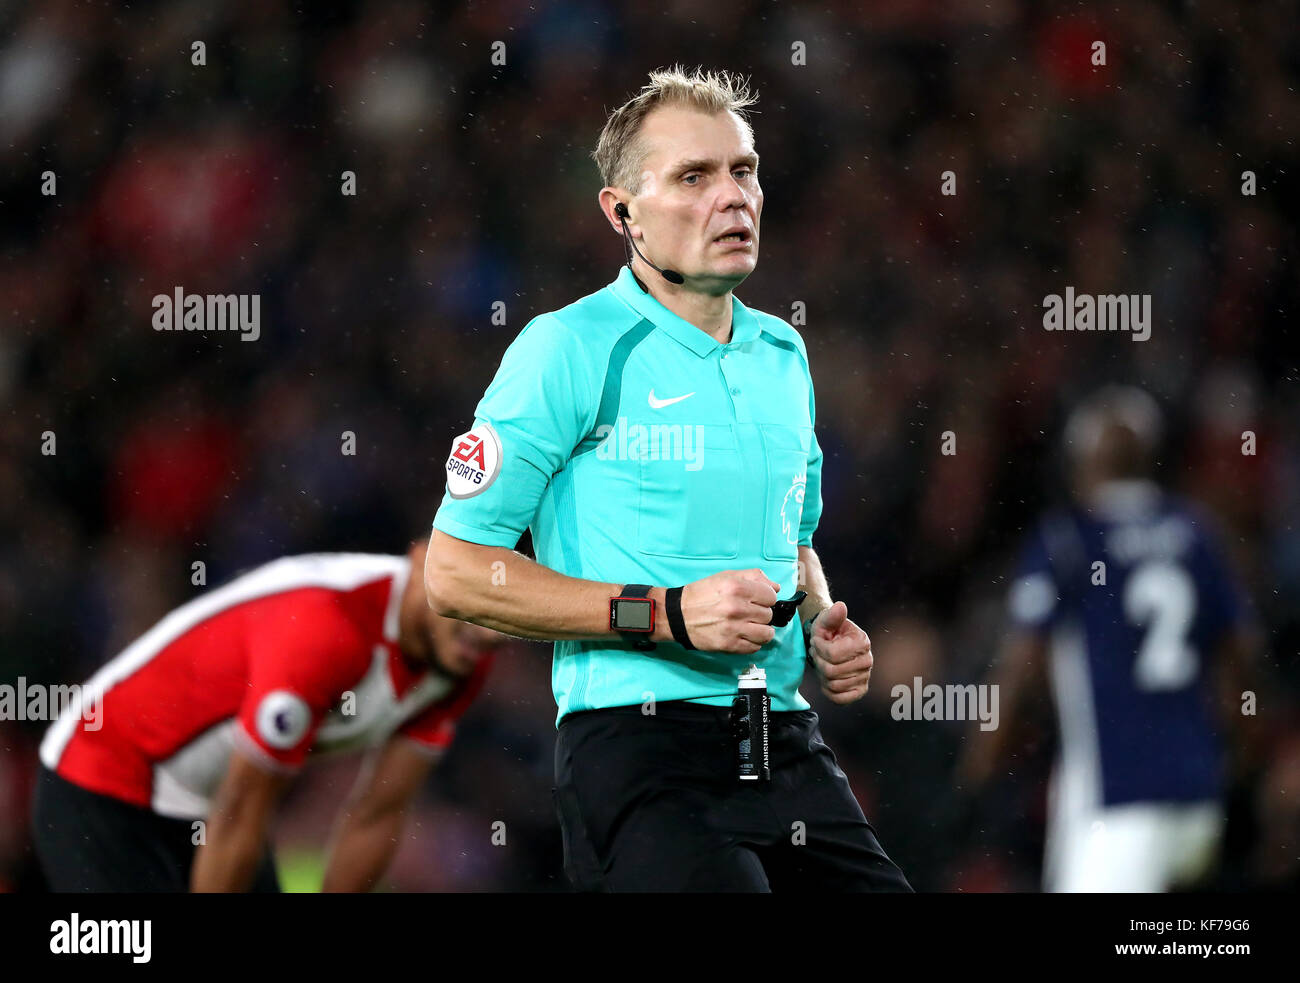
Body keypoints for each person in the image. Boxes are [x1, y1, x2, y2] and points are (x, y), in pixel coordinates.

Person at [425, 65, 910, 892]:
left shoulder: (783, 356)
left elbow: (794, 540)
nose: (733, 197)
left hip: (778, 736)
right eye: (694, 176)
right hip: (638, 745)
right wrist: (666, 613)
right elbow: (457, 570)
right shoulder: (566, 348)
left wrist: (823, 616)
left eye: (743, 170)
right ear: (622, 212)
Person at [33, 541, 503, 892]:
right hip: (103, 778)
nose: (485, 630)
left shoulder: (461, 654)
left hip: (214, 805)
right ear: (422, 560)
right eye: (470, 595)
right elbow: (242, 809)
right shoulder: (328, 630)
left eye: (502, 608)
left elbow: (378, 813)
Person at [958, 385, 1262, 892]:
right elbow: (1241, 660)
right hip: (1198, 796)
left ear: (1080, 463)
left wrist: (976, 767)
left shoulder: (1069, 538)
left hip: (1120, 793)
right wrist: (1232, 761)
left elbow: (1020, 667)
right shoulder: (1195, 533)